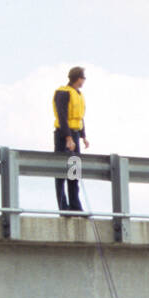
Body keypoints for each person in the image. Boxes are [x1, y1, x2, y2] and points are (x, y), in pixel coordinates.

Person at [53, 67, 90, 216]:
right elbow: (62, 116)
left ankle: (75, 206)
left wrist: (83, 136)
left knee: (74, 171)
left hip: (74, 134)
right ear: (78, 78)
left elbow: (79, 117)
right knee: (61, 171)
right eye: (83, 78)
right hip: (63, 135)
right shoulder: (63, 93)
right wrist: (68, 137)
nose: (84, 81)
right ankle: (64, 207)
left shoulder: (78, 94)